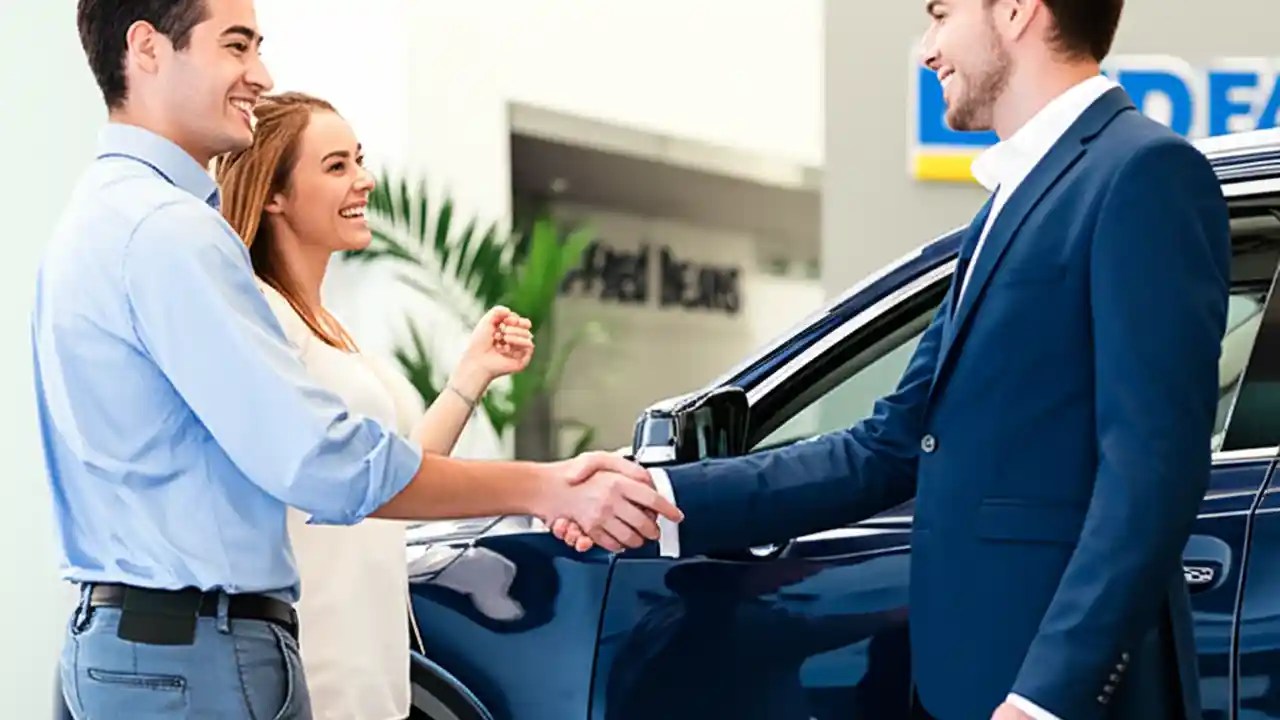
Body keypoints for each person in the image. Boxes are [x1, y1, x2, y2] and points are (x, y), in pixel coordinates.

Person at [555, 0, 1228, 718]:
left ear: (1015, 11)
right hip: (965, 685)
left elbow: (1151, 471)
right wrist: (654, 499)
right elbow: (887, 448)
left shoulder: (1144, 173)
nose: (927, 49)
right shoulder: (1012, 202)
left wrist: (1044, 699)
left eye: (940, 15)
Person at [40, 1, 680, 718]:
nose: (261, 73)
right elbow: (328, 464)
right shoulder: (172, 234)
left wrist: (474, 396)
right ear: (147, 49)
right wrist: (545, 487)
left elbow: (353, 466)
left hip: (139, 645)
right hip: (199, 652)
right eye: (236, 46)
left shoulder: (100, 217)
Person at [211, 90, 536, 719]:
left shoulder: (328, 325)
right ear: (274, 193)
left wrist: (470, 378)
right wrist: (537, 487)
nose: (365, 180)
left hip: (370, 658)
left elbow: (395, 475)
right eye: (336, 166)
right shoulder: (261, 316)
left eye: (358, 160)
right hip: (314, 652)